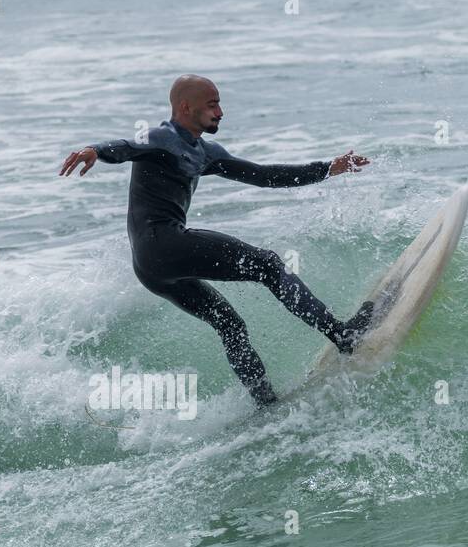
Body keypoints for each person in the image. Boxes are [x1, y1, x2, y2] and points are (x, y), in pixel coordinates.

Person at [59, 74, 374, 406]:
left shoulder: (205, 152)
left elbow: (264, 176)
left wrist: (327, 169)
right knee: (267, 265)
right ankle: (343, 336)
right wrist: (95, 150)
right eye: (212, 104)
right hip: (163, 244)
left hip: (149, 267)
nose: (220, 112)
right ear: (185, 106)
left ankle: (265, 402)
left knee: (229, 323)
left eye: (220, 104)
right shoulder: (160, 138)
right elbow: (126, 147)